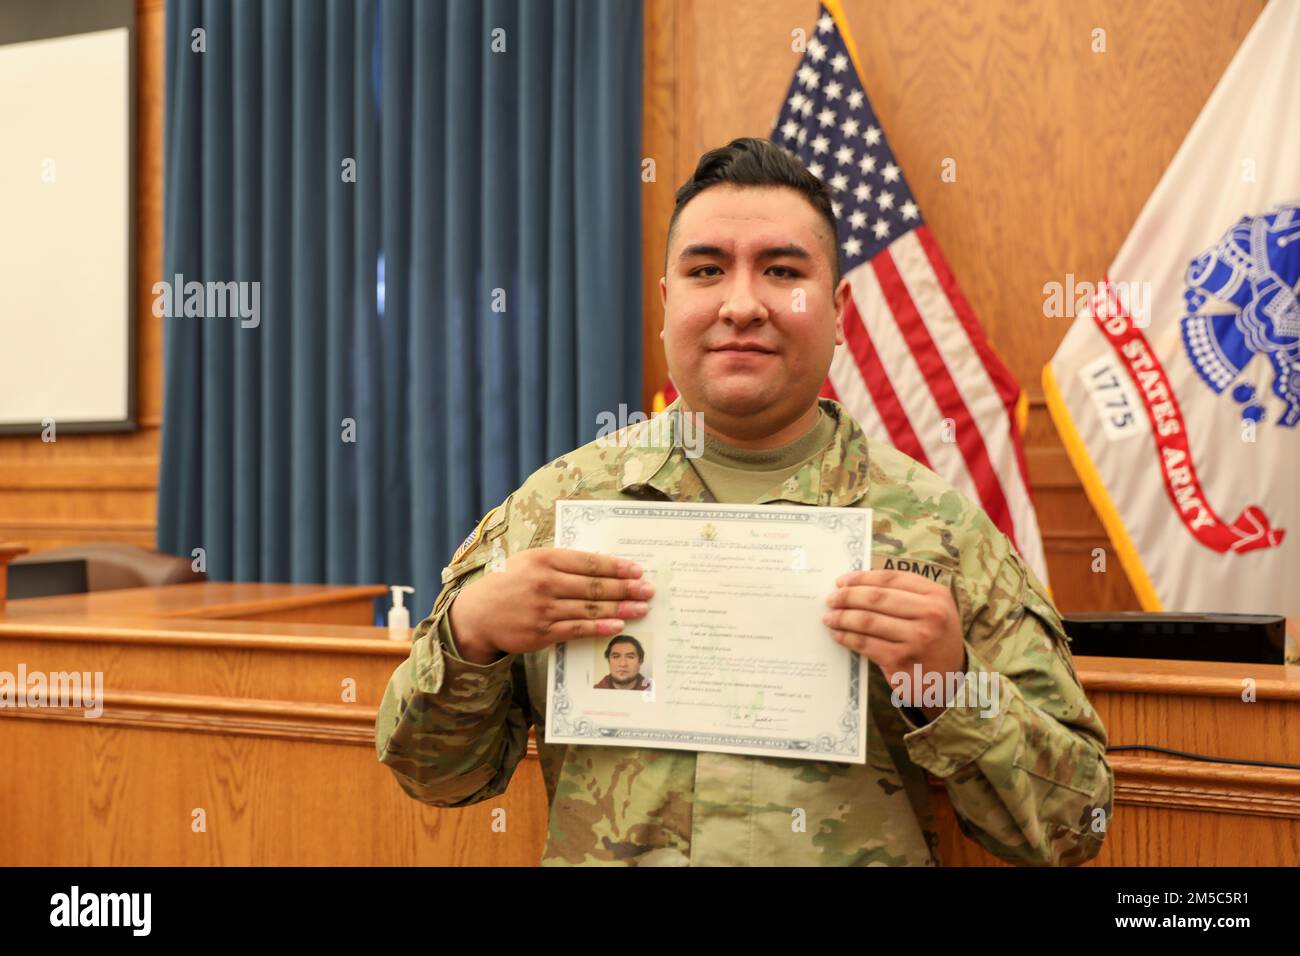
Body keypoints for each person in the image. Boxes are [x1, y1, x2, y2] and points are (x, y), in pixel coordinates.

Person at [376, 136, 1113, 866]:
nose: (741, 304)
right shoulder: (554, 510)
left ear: (838, 307)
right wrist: (470, 635)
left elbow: (1074, 822)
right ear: (668, 302)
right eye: (706, 270)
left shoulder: (938, 531)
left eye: (782, 271)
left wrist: (948, 684)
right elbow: (434, 776)